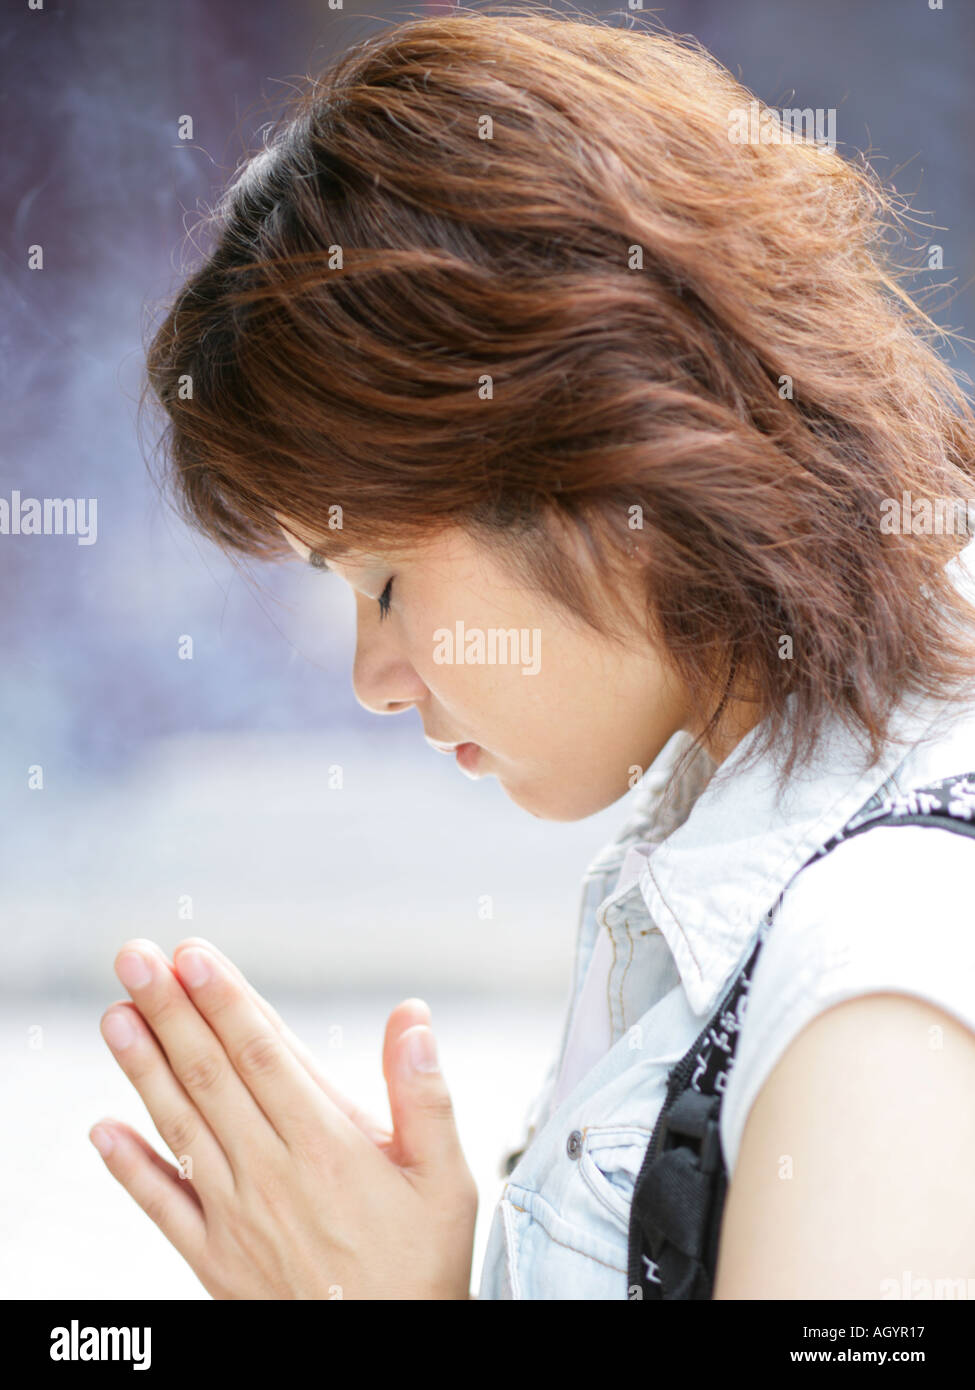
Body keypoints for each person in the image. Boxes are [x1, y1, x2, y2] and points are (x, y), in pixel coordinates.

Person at [91, 8, 975, 1298]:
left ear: (601, 453)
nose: (371, 681)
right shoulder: (756, 845)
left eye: (384, 582)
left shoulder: (879, 995)